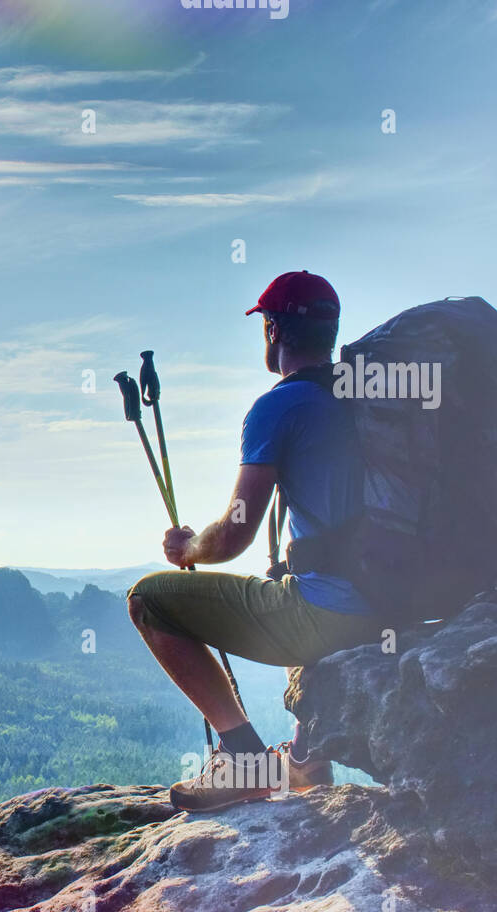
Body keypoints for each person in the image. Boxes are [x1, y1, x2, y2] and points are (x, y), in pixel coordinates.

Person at [127, 271, 385, 812]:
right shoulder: (368, 398)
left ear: (273, 330)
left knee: (149, 599)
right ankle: (307, 755)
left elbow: (236, 533)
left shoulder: (280, 406)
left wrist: (190, 549)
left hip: (335, 614)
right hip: (398, 599)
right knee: (288, 577)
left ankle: (244, 759)